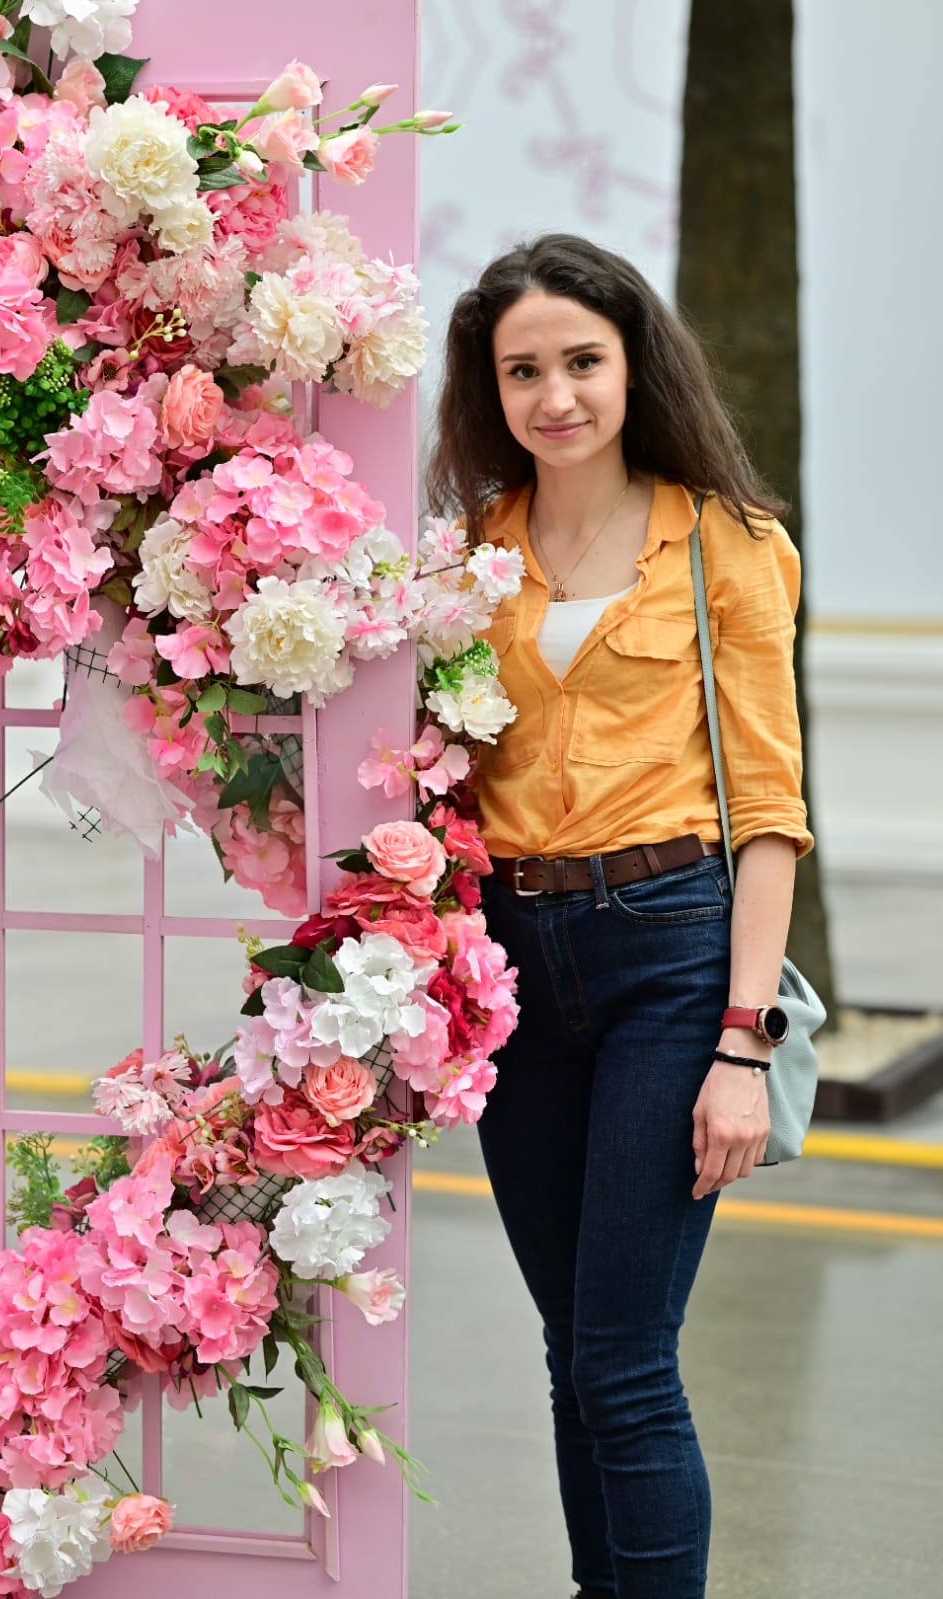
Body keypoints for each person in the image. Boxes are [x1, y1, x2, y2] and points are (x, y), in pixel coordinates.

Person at [426, 234, 812, 1599]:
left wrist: (739, 1044)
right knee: (568, 1344)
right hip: (518, 969)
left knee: (622, 1359)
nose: (554, 396)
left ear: (632, 363)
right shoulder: (469, 559)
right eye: (521, 369)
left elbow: (768, 811)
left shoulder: (726, 542)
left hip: (669, 952)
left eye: (579, 361)